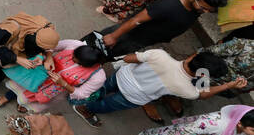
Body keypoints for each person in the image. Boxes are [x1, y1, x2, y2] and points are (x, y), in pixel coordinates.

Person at [75, 50, 246, 127]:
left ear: (193, 57)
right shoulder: (186, 89)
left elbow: (129, 58)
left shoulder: (160, 54)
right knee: (107, 105)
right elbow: (201, 94)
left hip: (121, 77)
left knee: (103, 88)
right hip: (132, 97)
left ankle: (84, 98)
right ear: (203, 75)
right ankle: (86, 109)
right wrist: (228, 85)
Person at [101, 0, 227, 56]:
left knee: (111, 55)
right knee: (100, 50)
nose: (205, 12)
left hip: (145, 39)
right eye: (203, 8)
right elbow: (136, 19)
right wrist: (114, 36)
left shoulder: (196, 3)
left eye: (209, 10)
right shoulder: (168, 6)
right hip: (130, 35)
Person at [0, 38, 107, 112]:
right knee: (22, 86)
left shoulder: (98, 77)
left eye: (76, 62)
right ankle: (7, 97)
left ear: (87, 65)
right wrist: (47, 58)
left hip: (53, 90)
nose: (72, 60)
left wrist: (63, 84)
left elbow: (82, 94)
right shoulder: (75, 44)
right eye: (72, 57)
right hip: (38, 74)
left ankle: (24, 105)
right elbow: (51, 46)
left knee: (32, 100)